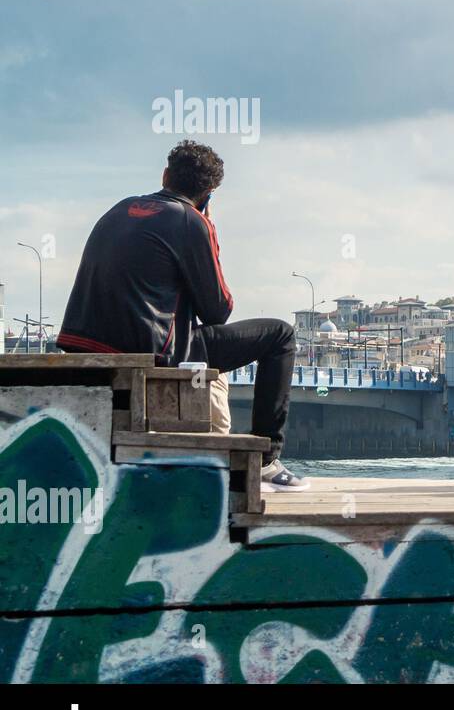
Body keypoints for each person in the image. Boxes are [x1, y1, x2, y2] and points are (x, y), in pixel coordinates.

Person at [57, 139, 308, 493]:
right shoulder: (192, 222)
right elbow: (217, 310)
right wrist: (206, 231)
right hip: (154, 353)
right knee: (280, 335)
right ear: (209, 193)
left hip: (84, 348)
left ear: (164, 175)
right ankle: (267, 459)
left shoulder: (119, 208)